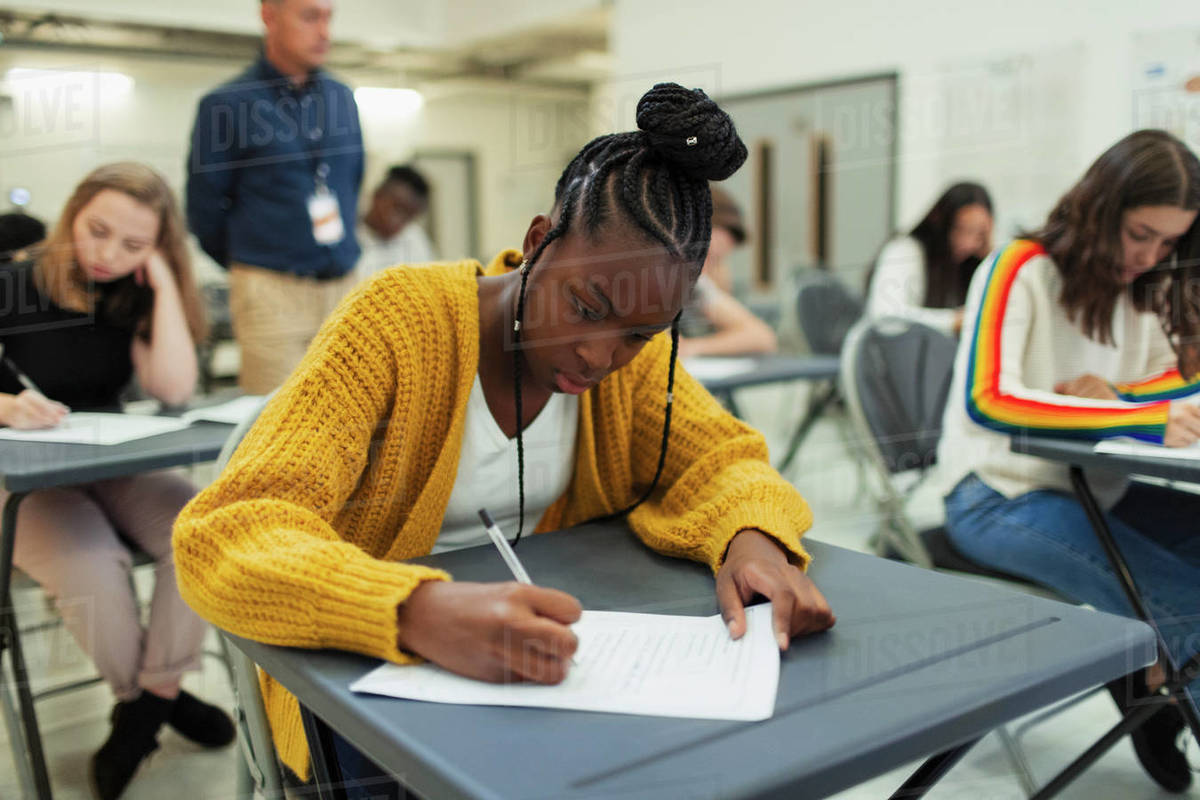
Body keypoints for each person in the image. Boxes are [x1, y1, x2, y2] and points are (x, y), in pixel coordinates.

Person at [173, 83, 836, 798]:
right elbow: (230, 530)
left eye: (639, 335)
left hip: (537, 687)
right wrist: (412, 611)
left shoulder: (630, 371)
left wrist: (753, 539)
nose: (598, 355)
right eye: (584, 306)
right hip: (367, 687)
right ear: (536, 242)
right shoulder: (396, 325)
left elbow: (722, 458)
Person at [937, 131, 1200, 792]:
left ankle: (1151, 675)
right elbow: (987, 400)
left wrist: (1120, 397)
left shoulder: (1137, 287)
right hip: (994, 493)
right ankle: (1156, 674)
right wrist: (1135, 414)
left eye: (1169, 244)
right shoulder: (1017, 266)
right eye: (1141, 234)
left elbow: (1168, 382)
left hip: (1096, 488)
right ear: (1100, 207)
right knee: (1190, 603)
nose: (1149, 256)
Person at [0, 163, 235, 800]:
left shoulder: (135, 290)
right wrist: (6, 406)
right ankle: (157, 703)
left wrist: (160, 278)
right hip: (23, 473)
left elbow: (174, 388)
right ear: (72, 211)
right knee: (90, 563)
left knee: (203, 531)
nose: (106, 255)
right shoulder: (15, 279)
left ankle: (143, 708)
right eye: (96, 231)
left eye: (132, 245)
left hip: (107, 458)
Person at [186, 0, 363, 395]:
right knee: (279, 426)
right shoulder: (226, 105)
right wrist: (252, 262)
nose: (324, 32)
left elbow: (352, 183)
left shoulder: (341, 98)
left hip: (342, 285)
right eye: (309, 16)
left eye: (328, 17)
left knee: (353, 417)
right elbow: (203, 211)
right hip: (269, 289)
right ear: (269, 15)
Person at [865, 182, 993, 336]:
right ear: (941, 223)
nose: (968, 243)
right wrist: (953, 321)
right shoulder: (905, 250)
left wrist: (989, 259)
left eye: (979, 234)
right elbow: (886, 316)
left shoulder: (968, 263)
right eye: (960, 229)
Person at [677, 185, 777, 358]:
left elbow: (762, 337)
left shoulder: (699, 287)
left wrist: (692, 347)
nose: (707, 269)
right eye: (707, 257)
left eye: (718, 261)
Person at [355, 164, 437, 280]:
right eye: (397, 209)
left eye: (409, 216)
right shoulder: (349, 234)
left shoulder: (415, 240)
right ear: (377, 195)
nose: (400, 222)